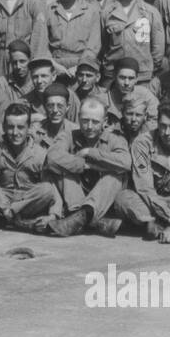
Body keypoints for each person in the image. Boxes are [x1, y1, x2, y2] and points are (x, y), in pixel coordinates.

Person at [111, 100, 170, 243]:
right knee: (123, 198)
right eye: (162, 126)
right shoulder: (142, 143)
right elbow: (145, 188)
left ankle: (159, 227)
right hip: (149, 203)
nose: (166, 132)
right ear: (157, 122)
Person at [44, 97, 133, 237]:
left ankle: (83, 216)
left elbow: (126, 163)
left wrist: (89, 152)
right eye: (85, 121)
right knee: (62, 169)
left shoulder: (116, 140)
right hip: (77, 196)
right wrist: (83, 165)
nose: (89, 126)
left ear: (105, 122)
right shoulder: (68, 136)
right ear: (78, 118)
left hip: (104, 200)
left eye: (95, 122)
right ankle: (88, 220)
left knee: (114, 176)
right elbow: (52, 158)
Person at [0, 102, 58, 230]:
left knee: (47, 189)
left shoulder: (40, 154)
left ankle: (9, 217)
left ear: (28, 128)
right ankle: (12, 217)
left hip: (27, 201)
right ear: (4, 127)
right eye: (11, 127)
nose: (15, 132)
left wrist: (53, 215)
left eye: (20, 127)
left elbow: (52, 189)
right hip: (2, 200)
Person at [101, 0, 164, 84]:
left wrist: (149, 68)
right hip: (113, 74)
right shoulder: (107, 12)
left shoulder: (150, 12)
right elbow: (103, 45)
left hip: (142, 76)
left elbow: (158, 48)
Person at [44, 0, 103, 82]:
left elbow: (94, 45)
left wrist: (79, 67)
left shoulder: (91, 11)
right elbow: (43, 43)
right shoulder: (49, 10)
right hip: (55, 66)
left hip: (82, 67)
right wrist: (54, 65)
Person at [107, 57, 158, 131]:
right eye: (122, 78)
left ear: (137, 79)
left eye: (131, 78)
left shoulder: (145, 95)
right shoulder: (103, 98)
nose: (126, 83)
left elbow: (156, 119)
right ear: (114, 76)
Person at [62, 55, 109, 123]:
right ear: (76, 75)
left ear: (98, 77)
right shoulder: (71, 96)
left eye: (89, 76)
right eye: (81, 75)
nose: (84, 80)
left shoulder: (105, 96)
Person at [0, 40, 32, 118]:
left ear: (30, 60)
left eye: (22, 61)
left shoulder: (36, 82)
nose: (18, 66)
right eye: (14, 63)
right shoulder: (0, 84)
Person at [31, 83, 71, 150]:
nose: (55, 110)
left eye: (60, 106)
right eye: (50, 106)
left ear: (67, 107)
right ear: (44, 106)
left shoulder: (74, 131)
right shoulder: (35, 130)